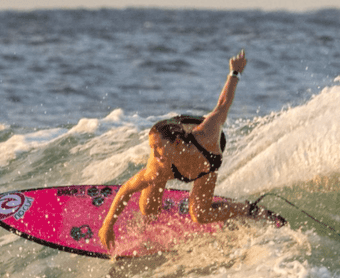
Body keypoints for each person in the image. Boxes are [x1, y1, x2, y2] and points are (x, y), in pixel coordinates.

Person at [98, 49, 285, 253]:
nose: (155, 153)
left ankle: (249, 209)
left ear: (177, 143)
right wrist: (108, 225)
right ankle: (147, 222)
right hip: (173, 136)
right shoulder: (159, 165)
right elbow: (126, 189)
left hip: (207, 154)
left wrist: (235, 72)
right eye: (152, 148)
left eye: (158, 147)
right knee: (148, 209)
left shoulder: (207, 134)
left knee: (200, 216)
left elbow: (223, 104)